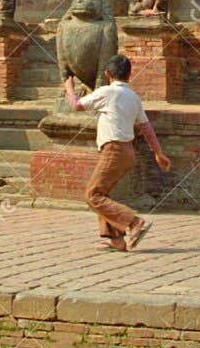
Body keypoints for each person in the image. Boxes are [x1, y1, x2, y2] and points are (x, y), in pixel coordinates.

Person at [65, 53, 170, 250]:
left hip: (113, 150)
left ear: (107, 74)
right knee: (102, 194)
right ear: (129, 75)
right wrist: (158, 153)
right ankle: (116, 239)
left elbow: (77, 105)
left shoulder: (107, 92)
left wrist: (69, 89)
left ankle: (135, 222)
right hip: (127, 151)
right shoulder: (133, 97)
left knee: (93, 195)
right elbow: (146, 127)